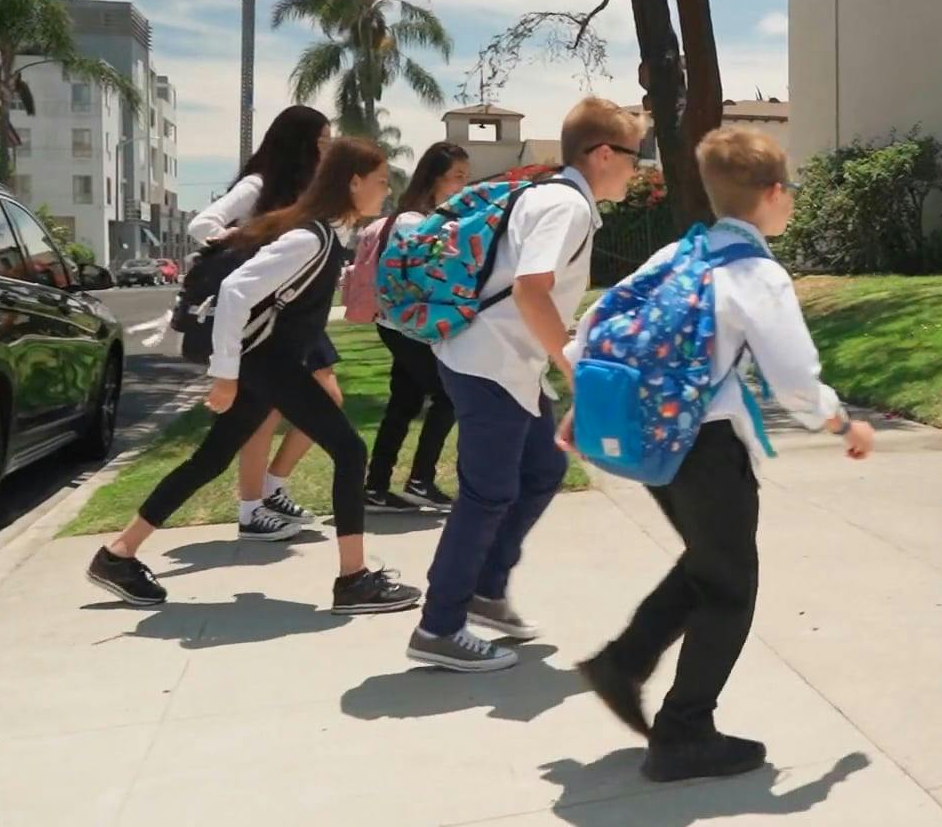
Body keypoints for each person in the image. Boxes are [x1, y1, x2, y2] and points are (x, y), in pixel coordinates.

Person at [569, 126, 875, 783]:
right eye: (790, 189)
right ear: (771, 193)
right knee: (731, 589)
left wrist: (579, 407)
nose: (791, 200)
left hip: (657, 447)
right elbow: (792, 378)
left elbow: (597, 328)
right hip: (706, 449)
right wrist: (839, 419)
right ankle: (682, 732)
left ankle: (624, 661)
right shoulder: (756, 273)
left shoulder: (679, 253)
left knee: (710, 567)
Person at [87, 138, 422, 614]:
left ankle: (117, 555)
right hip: (270, 365)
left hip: (271, 364)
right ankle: (354, 580)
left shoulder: (325, 234)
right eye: (381, 181)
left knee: (210, 460)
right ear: (352, 182)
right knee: (350, 449)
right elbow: (235, 291)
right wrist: (225, 376)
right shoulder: (310, 238)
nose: (386, 191)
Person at [404, 97, 643, 672]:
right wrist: (570, 363)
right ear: (605, 153)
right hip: (491, 362)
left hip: (502, 362)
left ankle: (485, 592)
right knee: (487, 495)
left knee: (542, 469)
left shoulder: (551, 196)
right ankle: (439, 625)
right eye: (637, 155)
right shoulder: (567, 207)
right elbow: (530, 290)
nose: (640, 169)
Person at [187, 104, 335, 542]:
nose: (327, 149)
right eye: (322, 141)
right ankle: (251, 509)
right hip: (260, 312)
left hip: (297, 311)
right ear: (301, 144)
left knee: (327, 398)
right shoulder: (260, 185)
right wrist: (249, 238)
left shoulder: (307, 190)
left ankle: (272, 487)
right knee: (262, 413)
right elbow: (203, 224)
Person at [361, 141, 470, 512]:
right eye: (457, 177)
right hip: (404, 326)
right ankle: (420, 480)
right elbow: (419, 274)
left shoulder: (432, 218)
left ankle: (375, 488)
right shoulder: (413, 221)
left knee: (404, 404)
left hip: (405, 326)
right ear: (435, 177)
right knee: (448, 395)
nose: (463, 185)